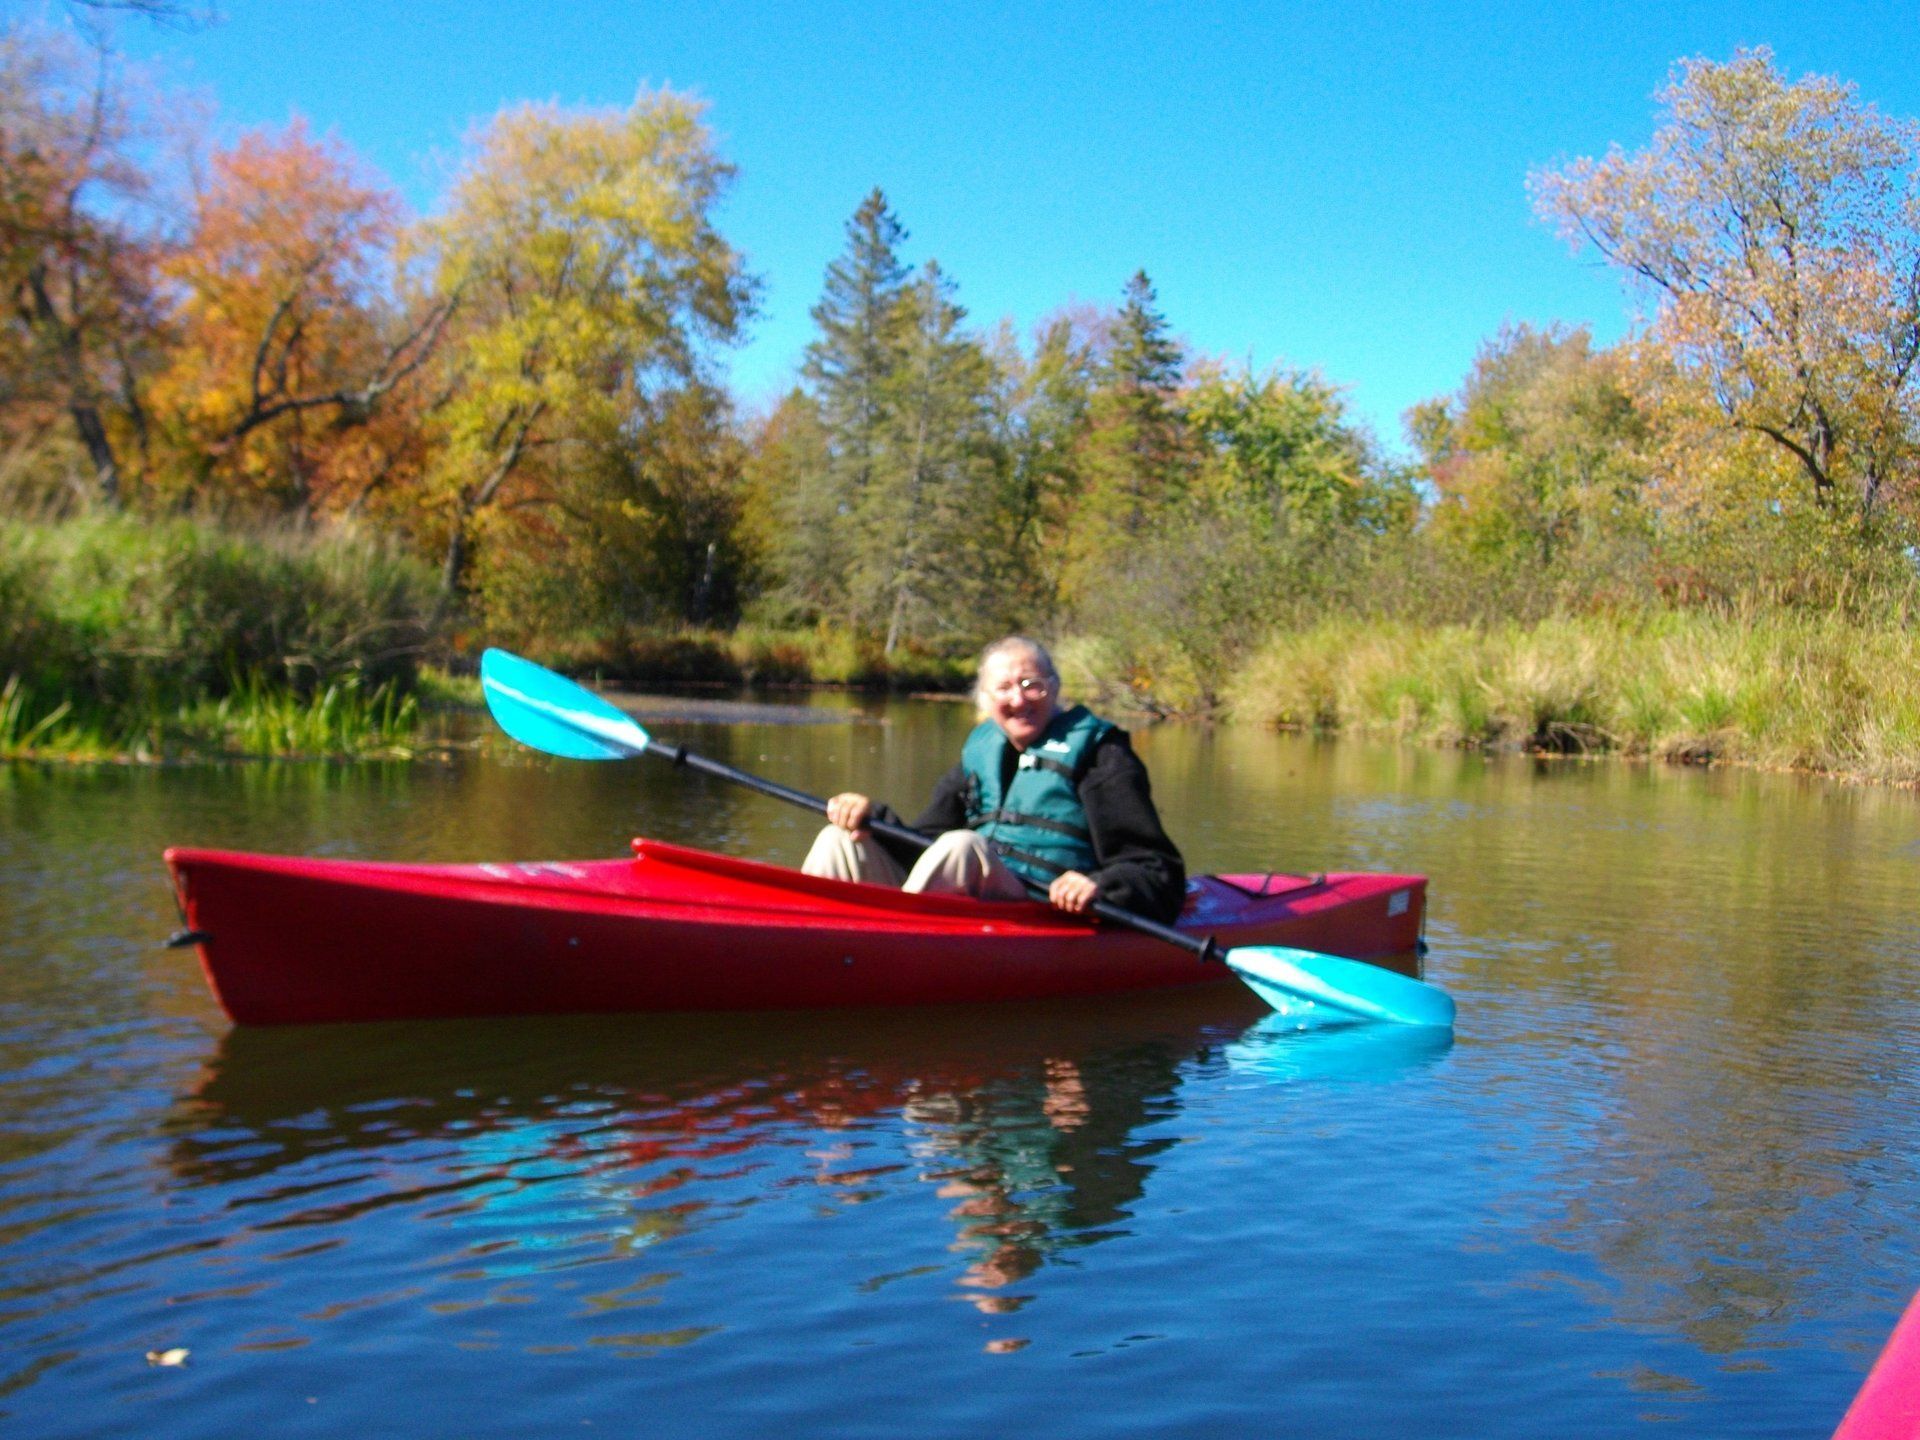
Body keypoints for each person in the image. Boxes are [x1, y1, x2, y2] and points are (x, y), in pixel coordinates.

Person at [801, 636, 1186, 924]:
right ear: (984, 700)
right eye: (1004, 688)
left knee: (964, 847)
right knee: (838, 840)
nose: (1019, 699)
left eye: (1031, 684)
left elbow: (1157, 871)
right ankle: (809, 937)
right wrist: (872, 818)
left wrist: (1103, 885)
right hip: (963, 911)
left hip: (1042, 913)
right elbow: (923, 847)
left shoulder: (1103, 755)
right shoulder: (978, 755)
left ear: (1054, 689)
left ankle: (885, 954)